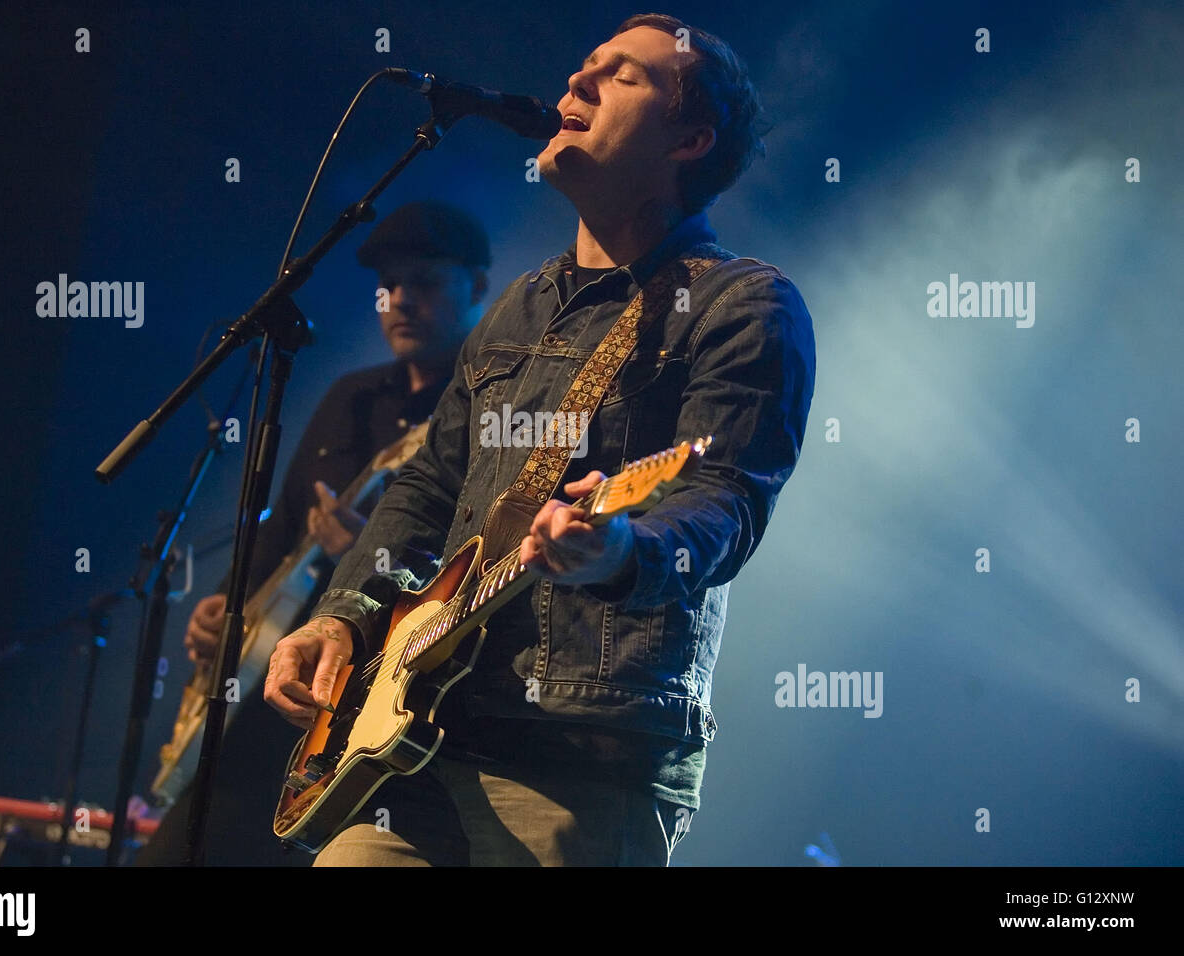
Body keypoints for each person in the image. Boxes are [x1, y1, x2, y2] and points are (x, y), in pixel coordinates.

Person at [265, 12, 817, 867]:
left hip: (581, 754)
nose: (578, 83)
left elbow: (727, 499)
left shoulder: (742, 304)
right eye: (583, 66)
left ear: (689, 139)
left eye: (623, 75)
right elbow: (428, 488)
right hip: (411, 737)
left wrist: (624, 548)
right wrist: (341, 616)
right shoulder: (518, 307)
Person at [135, 201, 490, 865]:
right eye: (390, 286)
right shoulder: (349, 396)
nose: (402, 300)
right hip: (274, 676)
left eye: (426, 282)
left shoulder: (480, 404)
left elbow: (479, 548)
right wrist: (229, 607)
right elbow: (280, 527)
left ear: (476, 288)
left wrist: (367, 555)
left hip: (374, 699)